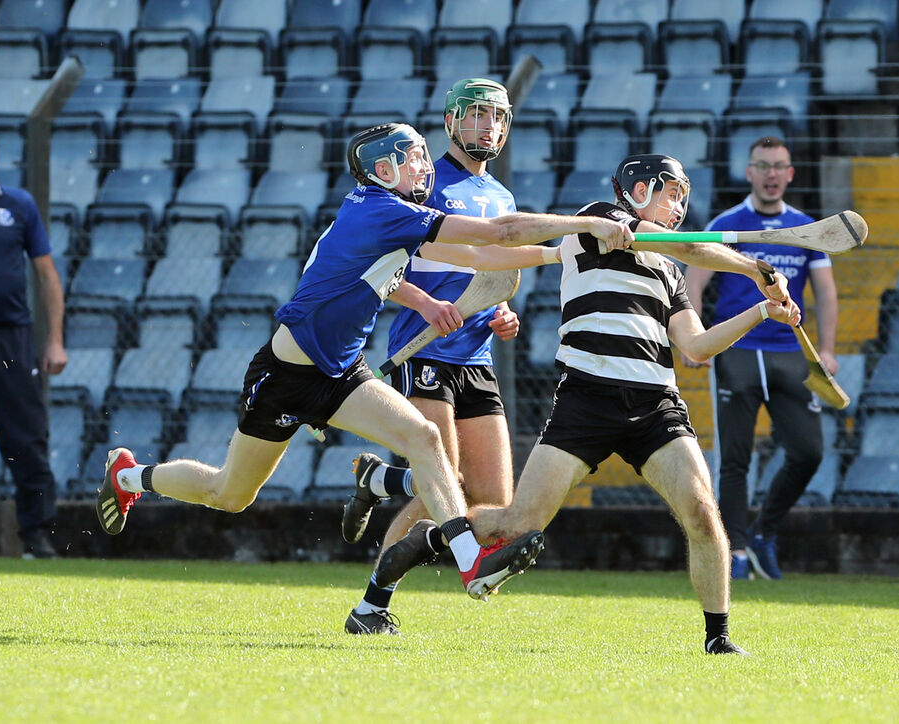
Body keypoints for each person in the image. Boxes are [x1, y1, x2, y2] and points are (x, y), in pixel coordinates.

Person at [95, 123, 635, 608]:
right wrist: (584, 227)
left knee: (424, 438)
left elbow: (476, 257)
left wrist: (562, 253)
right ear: (384, 170)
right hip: (287, 376)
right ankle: (131, 475)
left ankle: (467, 560)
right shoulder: (381, 211)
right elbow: (496, 234)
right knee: (230, 494)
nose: (425, 166)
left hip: (343, 373)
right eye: (413, 158)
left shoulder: (393, 217)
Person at [350, 154, 803, 654]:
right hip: (585, 401)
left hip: (656, 406)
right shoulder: (598, 223)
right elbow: (693, 246)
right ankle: (431, 539)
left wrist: (762, 311)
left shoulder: (669, 272)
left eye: (682, 199)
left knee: (701, 512)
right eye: (671, 194)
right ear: (638, 191)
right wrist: (756, 267)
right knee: (517, 524)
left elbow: (696, 347)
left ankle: (718, 638)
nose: (679, 208)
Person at [341, 79, 551, 632]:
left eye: (497, 117)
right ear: (451, 121)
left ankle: (379, 483)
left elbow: (494, 277)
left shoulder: (502, 198)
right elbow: (380, 267)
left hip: (477, 358)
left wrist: (503, 313)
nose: (489, 127)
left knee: (493, 502)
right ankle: (372, 605)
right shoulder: (423, 181)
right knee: (446, 478)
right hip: (425, 350)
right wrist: (428, 303)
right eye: (477, 115)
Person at [684, 136, 839, 581]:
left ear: (790, 174)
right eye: (763, 166)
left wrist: (827, 349)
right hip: (737, 353)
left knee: (808, 452)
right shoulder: (729, 224)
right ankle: (734, 553)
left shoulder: (807, 229)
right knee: (735, 459)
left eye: (779, 167)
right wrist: (698, 338)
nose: (771, 174)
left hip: (791, 353)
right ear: (749, 172)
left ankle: (763, 533)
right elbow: (694, 281)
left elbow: (826, 293)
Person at [0, 121, 67, 559]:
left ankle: (37, 534)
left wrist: (55, 339)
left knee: (26, 439)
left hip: (12, 339)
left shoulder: (20, 205)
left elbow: (47, 275)